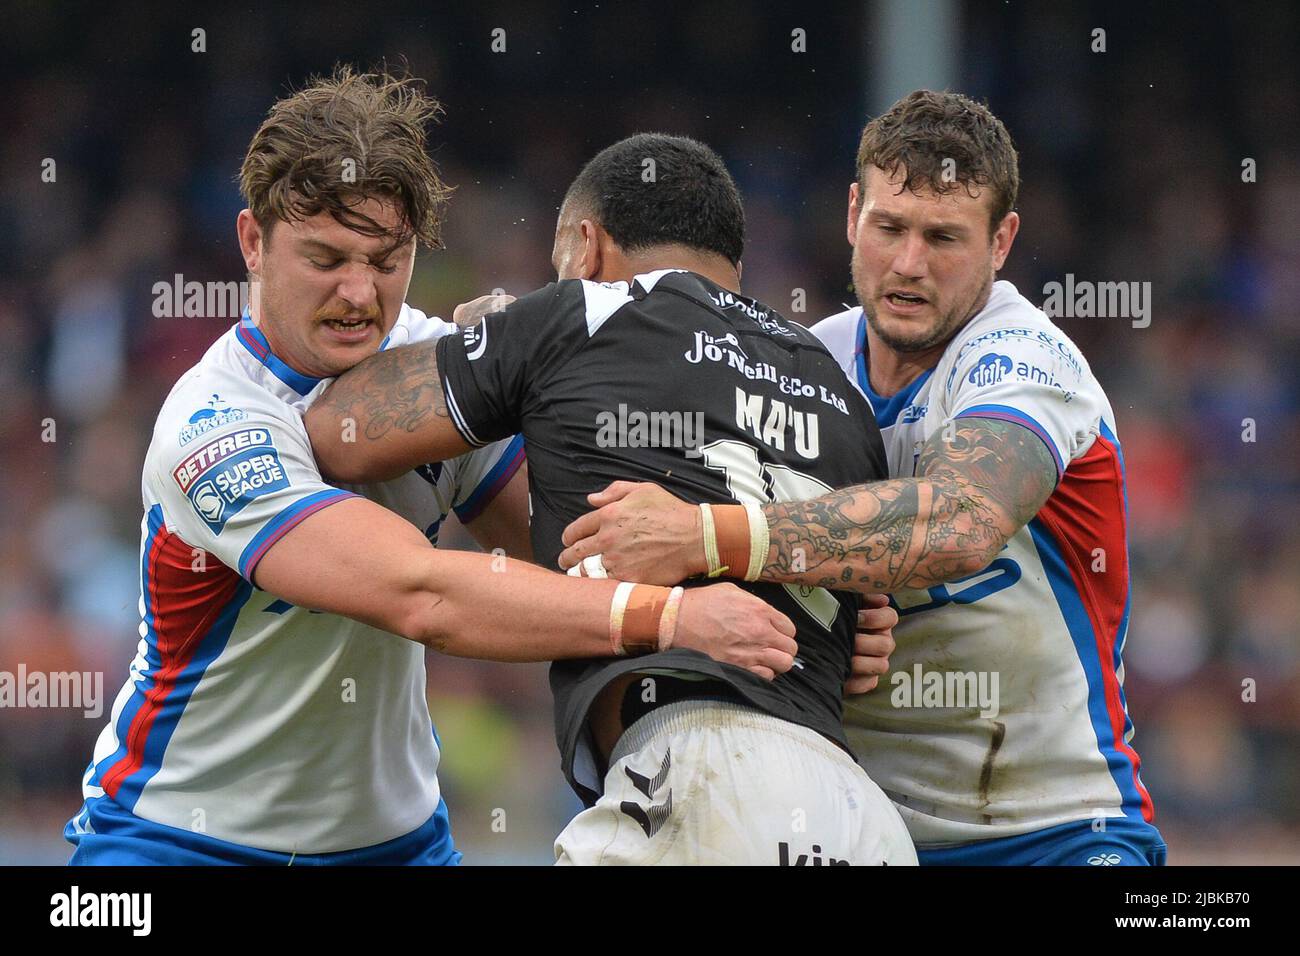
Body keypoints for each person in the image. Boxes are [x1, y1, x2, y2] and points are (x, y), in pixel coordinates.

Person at [65, 68, 799, 866]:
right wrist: (672, 618)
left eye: (387, 259)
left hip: (398, 849)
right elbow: (422, 594)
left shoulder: (435, 369)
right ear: (252, 241)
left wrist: (801, 608)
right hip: (178, 844)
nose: (358, 293)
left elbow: (573, 550)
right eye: (326, 257)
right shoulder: (212, 425)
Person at [554, 92, 1166, 866]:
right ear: (852, 215)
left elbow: (957, 523)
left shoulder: (1025, 362)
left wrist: (706, 537)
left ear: (1002, 240)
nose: (909, 264)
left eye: (944, 237)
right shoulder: (808, 363)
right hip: (862, 828)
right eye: (890, 228)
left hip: (1055, 829)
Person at [305, 133, 919, 865]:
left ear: (586, 248)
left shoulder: (578, 315)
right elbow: (865, 618)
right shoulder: (837, 387)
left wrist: (483, 345)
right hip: (857, 813)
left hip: (702, 779)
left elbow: (339, 432)